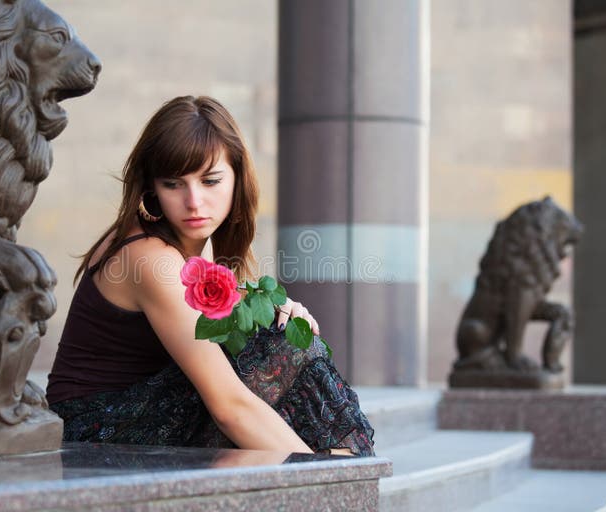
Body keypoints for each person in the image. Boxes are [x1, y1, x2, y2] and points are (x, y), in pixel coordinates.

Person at [46, 96, 374, 456]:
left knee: (282, 338)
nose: (194, 202)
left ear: (237, 177)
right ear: (151, 187)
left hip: (140, 413)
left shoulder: (181, 247)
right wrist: (320, 479)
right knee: (280, 348)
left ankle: (339, 475)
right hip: (98, 434)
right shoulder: (148, 257)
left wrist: (275, 310)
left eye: (210, 180)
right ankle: (339, 479)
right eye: (174, 184)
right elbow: (229, 408)